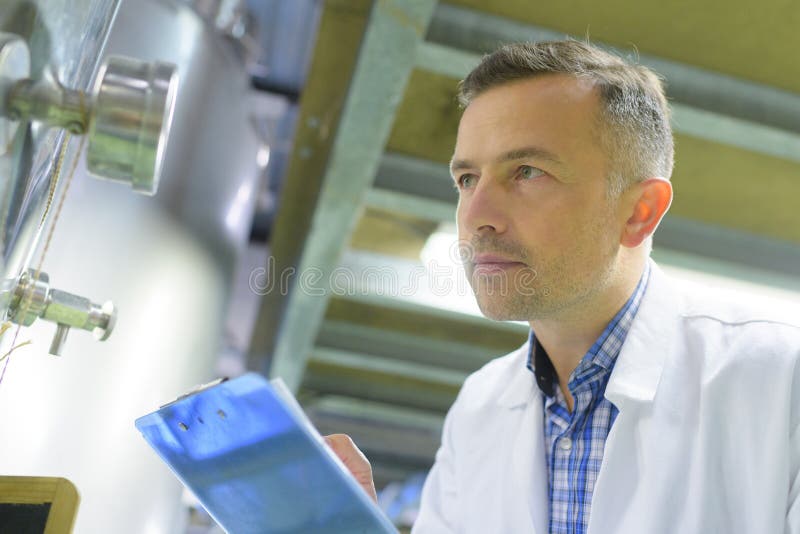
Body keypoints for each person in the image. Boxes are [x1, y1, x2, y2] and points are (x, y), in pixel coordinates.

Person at [326, 40, 800, 533]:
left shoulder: (781, 378)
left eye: (527, 172)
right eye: (467, 179)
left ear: (640, 212)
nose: (476, 217)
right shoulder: (479, 408)